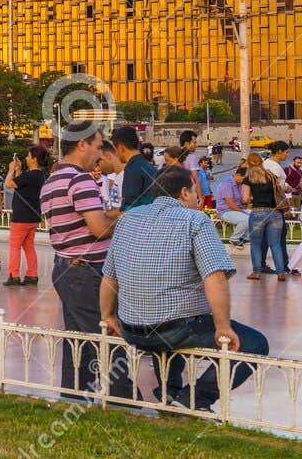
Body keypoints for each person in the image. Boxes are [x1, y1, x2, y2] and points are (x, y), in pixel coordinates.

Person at [101, 166, 269, 409]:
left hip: (130, 329)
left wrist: (107, 316)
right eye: (194, 192)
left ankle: (169, 392)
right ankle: (195, 399)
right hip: (174, 330)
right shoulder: (195, 221)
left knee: (172, 320)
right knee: (254, 344)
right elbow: (215, 278)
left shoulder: (128, 218)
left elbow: (109, 277)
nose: (197, 198)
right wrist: (223, 327)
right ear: (184, 193)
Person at [40, 129, 131, 399]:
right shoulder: (80, 180)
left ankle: (74, 394)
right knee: (106, 334)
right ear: (82, 144)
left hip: (67, 267)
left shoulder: (53, 180)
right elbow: (99, 229)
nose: (102, 154)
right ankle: (123, 398)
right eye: (99, 146)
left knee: (78, 339)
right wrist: (124, 219)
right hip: (87, 271)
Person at [244, 150, 292, 281]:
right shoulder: (271, 176)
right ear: (261, 162)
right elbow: (279, 190)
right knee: (275, 244)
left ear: (249, 164)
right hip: (275, 212)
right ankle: (281, 272)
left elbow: (245, 198)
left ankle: (257, 272)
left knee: (255, 244)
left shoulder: (248, 178)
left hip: (258, 212)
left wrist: (251, 199)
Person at [4, 146, 48, 286]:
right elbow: (20, 184)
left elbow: (9, 184)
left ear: (35, 159)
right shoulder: (39, 175)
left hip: (21, 217)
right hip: (33, 216)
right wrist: (18, 170)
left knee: (15, 246)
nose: (27, 159)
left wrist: (11, 169)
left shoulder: (29, 175)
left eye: (29, 156)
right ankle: (32, 274)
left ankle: (14, 275)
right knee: (29, 246)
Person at [114, 125, 159, 209]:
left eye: (115, 150)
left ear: (121, 148)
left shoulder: (132, 168)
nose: (116, 154)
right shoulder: (147, 166)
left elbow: (129, 207)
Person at [211, 166, 249, 246]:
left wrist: (246, 200)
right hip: (225, 211)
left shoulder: (240, 184)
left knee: (258, 215)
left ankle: (244, 237)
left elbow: (241, 201)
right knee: (246, 219)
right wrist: (243, 212)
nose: (246, 181)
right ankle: (234, 239)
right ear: (238, 175)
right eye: (245, 178)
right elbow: (230, 204)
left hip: (237, 209)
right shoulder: (227, 184)